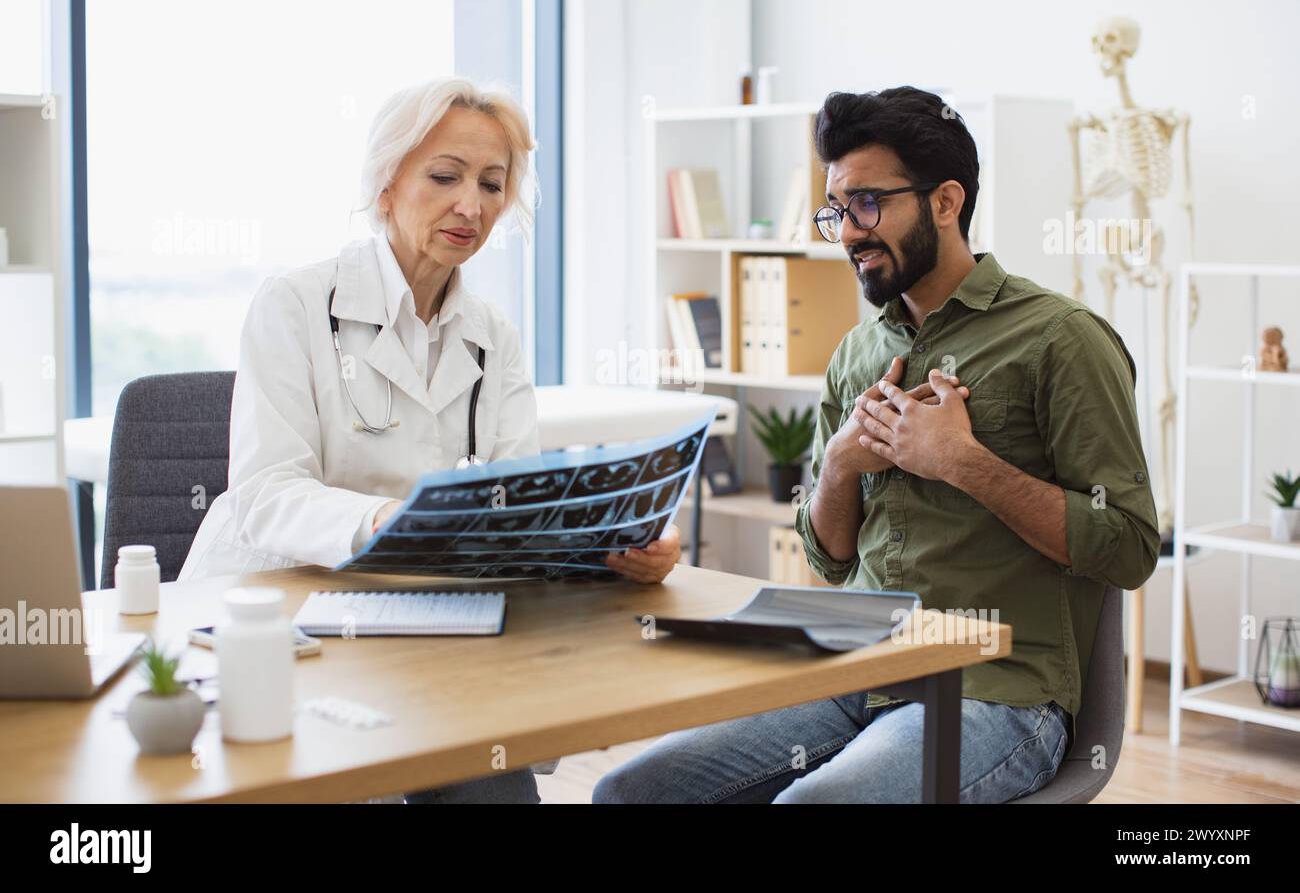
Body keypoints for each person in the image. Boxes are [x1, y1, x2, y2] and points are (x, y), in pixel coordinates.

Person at [594, 85, 1159, 804]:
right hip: (849, 666)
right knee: (631, 790)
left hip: (995, 691)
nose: (849, 232)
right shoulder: (859, 353)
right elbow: (829, 563)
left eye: (867, 204)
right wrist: (837, 464)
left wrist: (964, 463)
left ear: (946, 202)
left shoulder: (1061, 338)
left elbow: (1132, 546)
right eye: (838, 210)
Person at [178, 77, 680, 802]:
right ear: (387, 183)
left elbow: (519, 505)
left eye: (491, 184)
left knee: (494, 784)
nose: (470, 206)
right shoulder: (294, 305)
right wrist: (379, 521)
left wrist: (611, 546)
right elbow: (265, 492)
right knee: (352, 775)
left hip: (425, 619)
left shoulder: (492, 338)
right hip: (284, 612)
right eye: (444, 176)